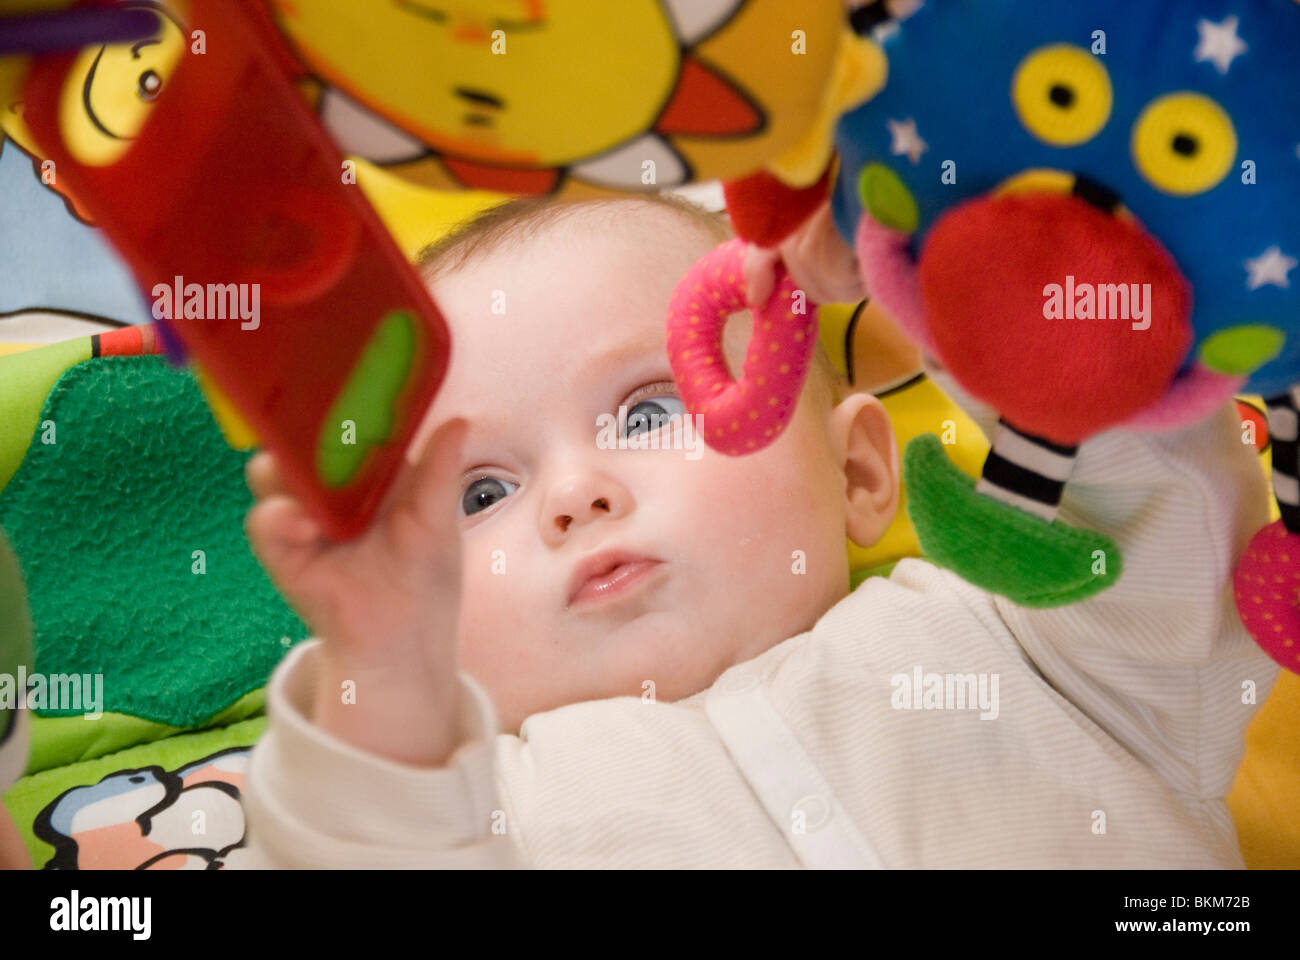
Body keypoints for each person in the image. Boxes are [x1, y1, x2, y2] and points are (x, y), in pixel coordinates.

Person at [239, 194, 1276, 867]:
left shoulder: (1031, 644)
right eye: (477, 495)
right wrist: (382, 674)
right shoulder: (491, 818)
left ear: (860, 471)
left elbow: (1160, 519)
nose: (573, 494)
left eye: (647, 410)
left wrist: (946, 276)